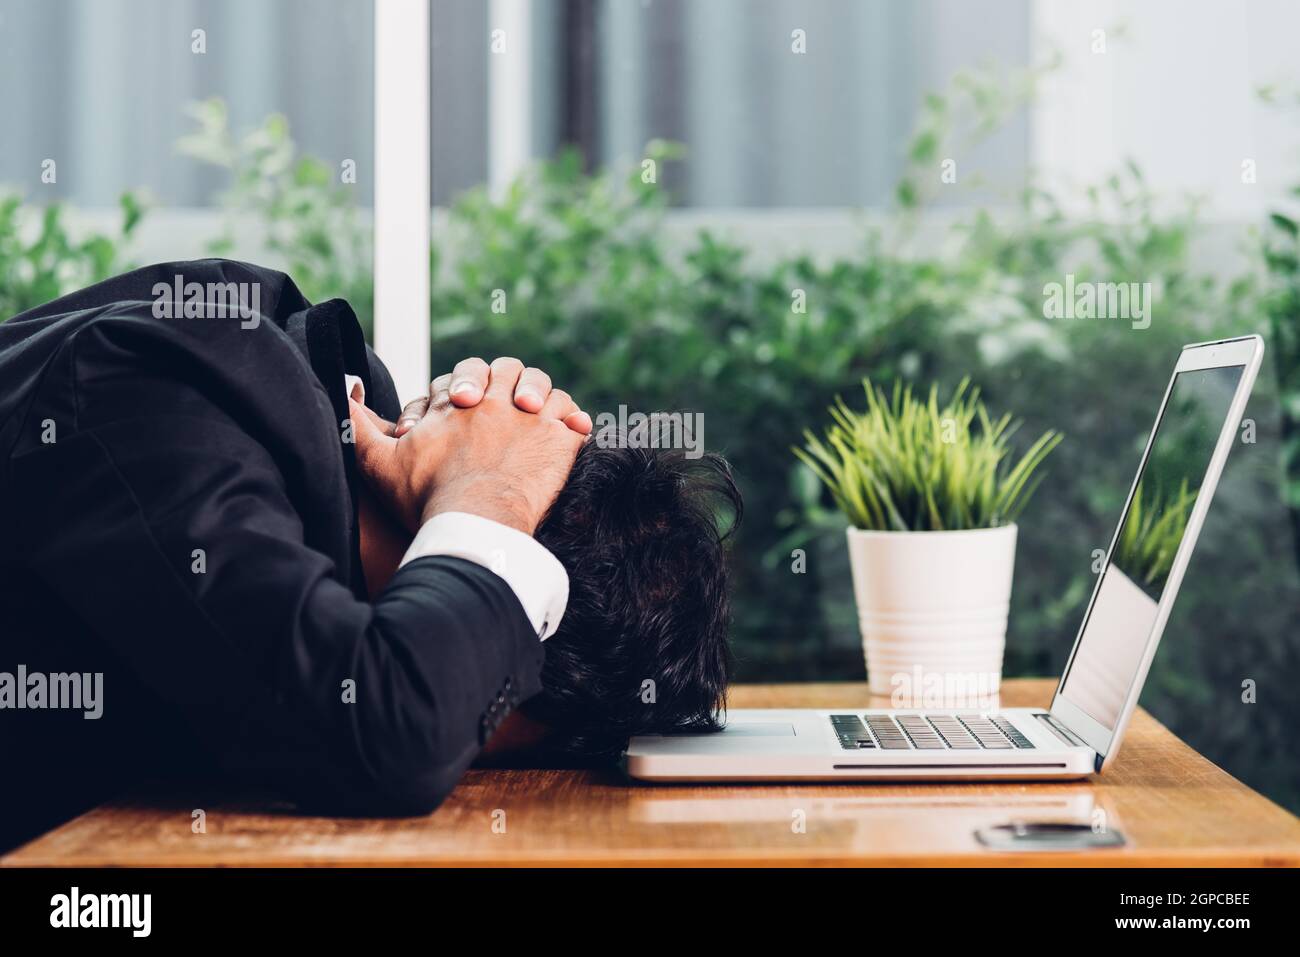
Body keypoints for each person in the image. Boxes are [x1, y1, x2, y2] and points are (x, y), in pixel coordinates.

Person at [0, 259, 738, 853]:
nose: (465, 719)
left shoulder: (309, 435)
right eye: (481, 704)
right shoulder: (179, 393)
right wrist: (492, 493)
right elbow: (389, 735)